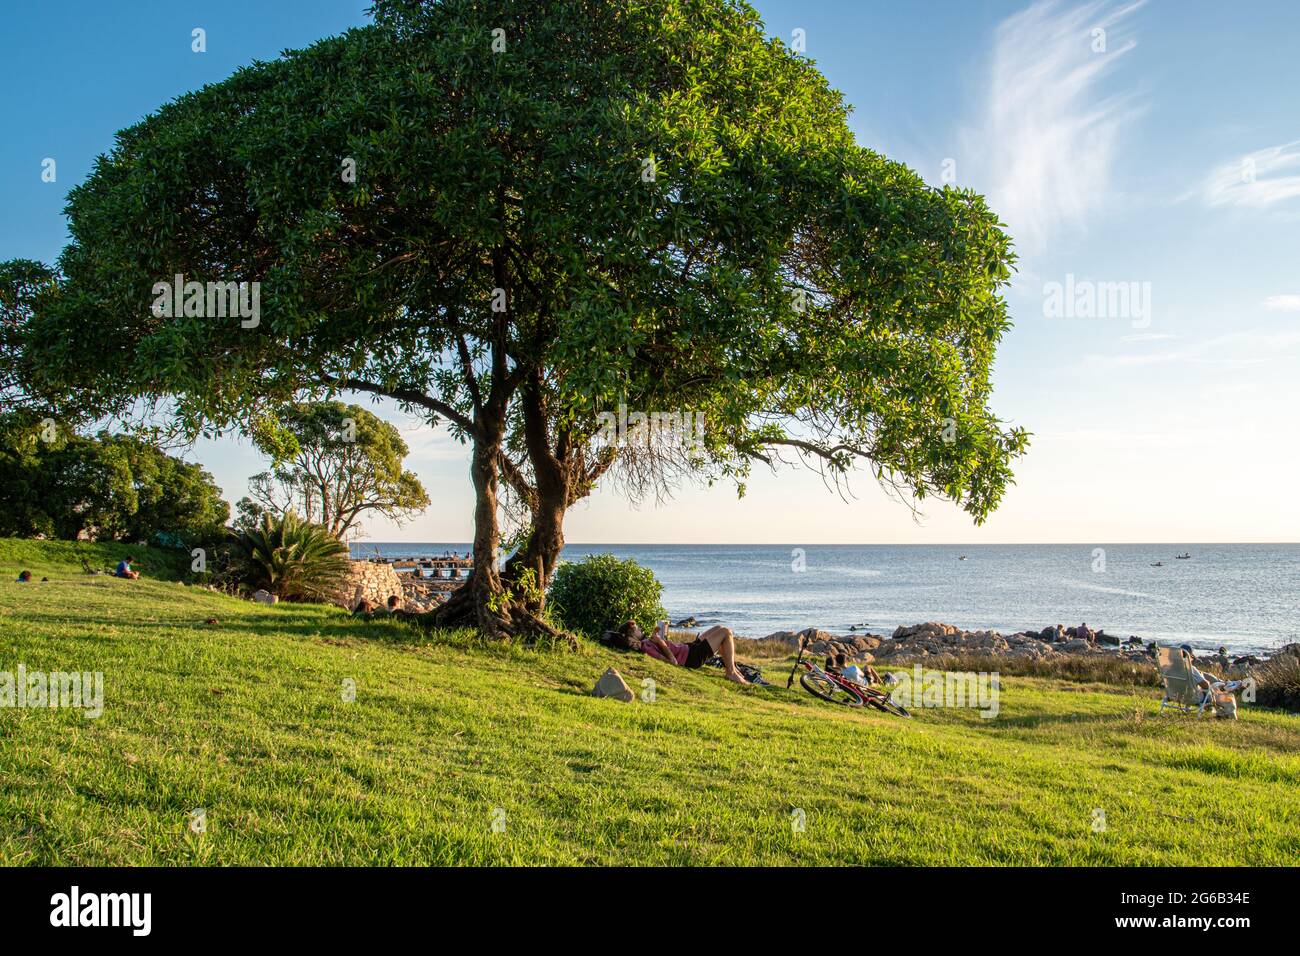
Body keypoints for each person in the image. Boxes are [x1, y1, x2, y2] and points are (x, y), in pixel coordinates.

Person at [623, 620, 749, 685]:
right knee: (726, 632)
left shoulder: (647, 641)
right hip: (691, 658)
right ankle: (731, 672)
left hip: (688, 648)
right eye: (637, 629)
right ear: (633, 634)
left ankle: (732, 668)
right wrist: (661, 642)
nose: (640, 629)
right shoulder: (646, 647)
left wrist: (658, 638)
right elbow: (673, 662)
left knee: (719, 628)